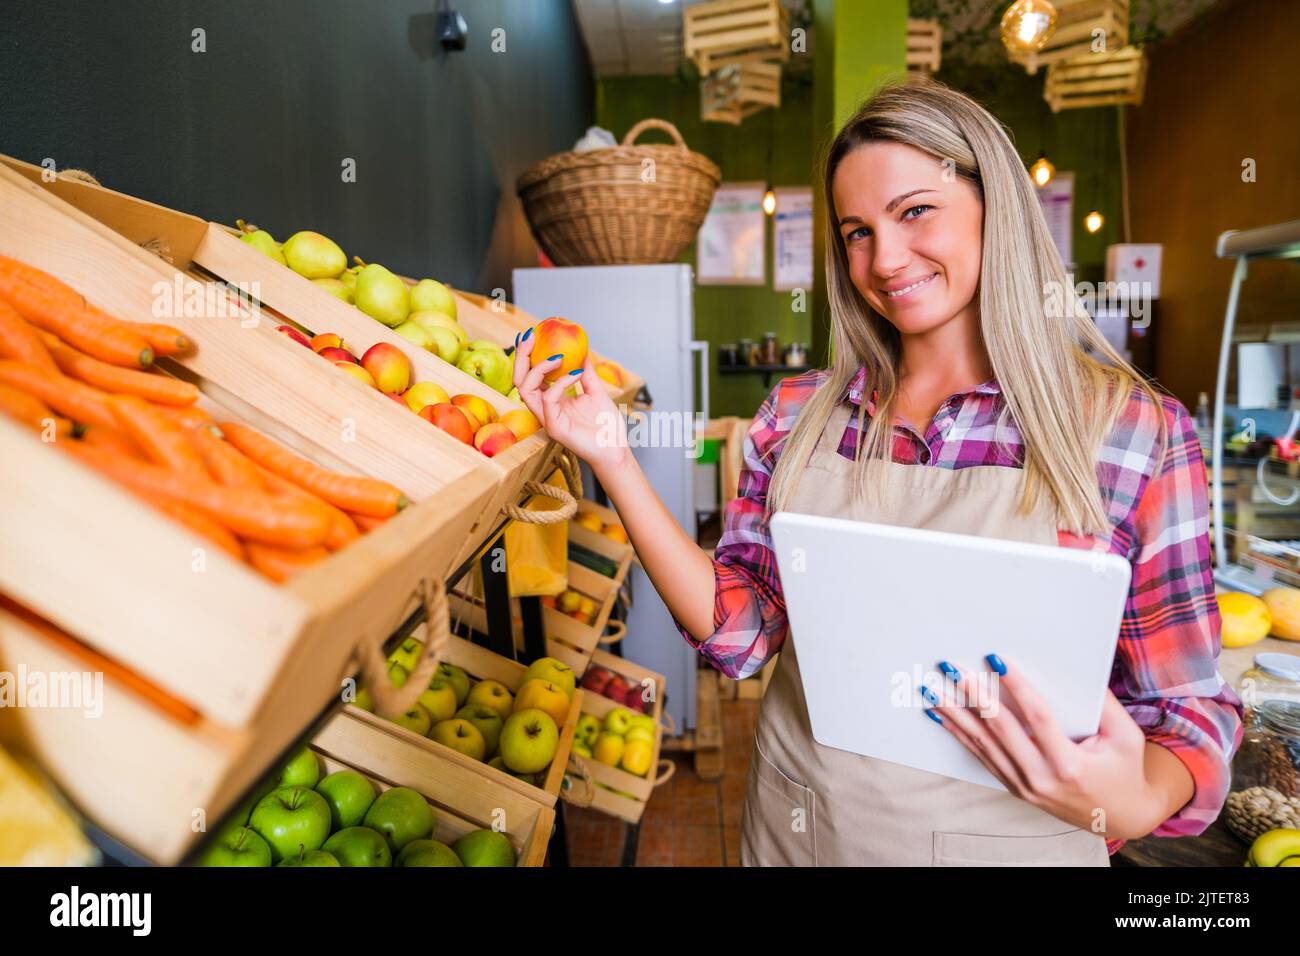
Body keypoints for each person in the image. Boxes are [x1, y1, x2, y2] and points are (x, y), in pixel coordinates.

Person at [510, 78, 1243, 866]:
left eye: (915, 210)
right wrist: (612, 458)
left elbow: (1187, 717)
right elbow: (744, 638)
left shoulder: (1130, 433)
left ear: (994, 203)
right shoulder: (796, 416)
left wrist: (1134, 798)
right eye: (856, 231)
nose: (884, 259)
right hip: (802, 836)